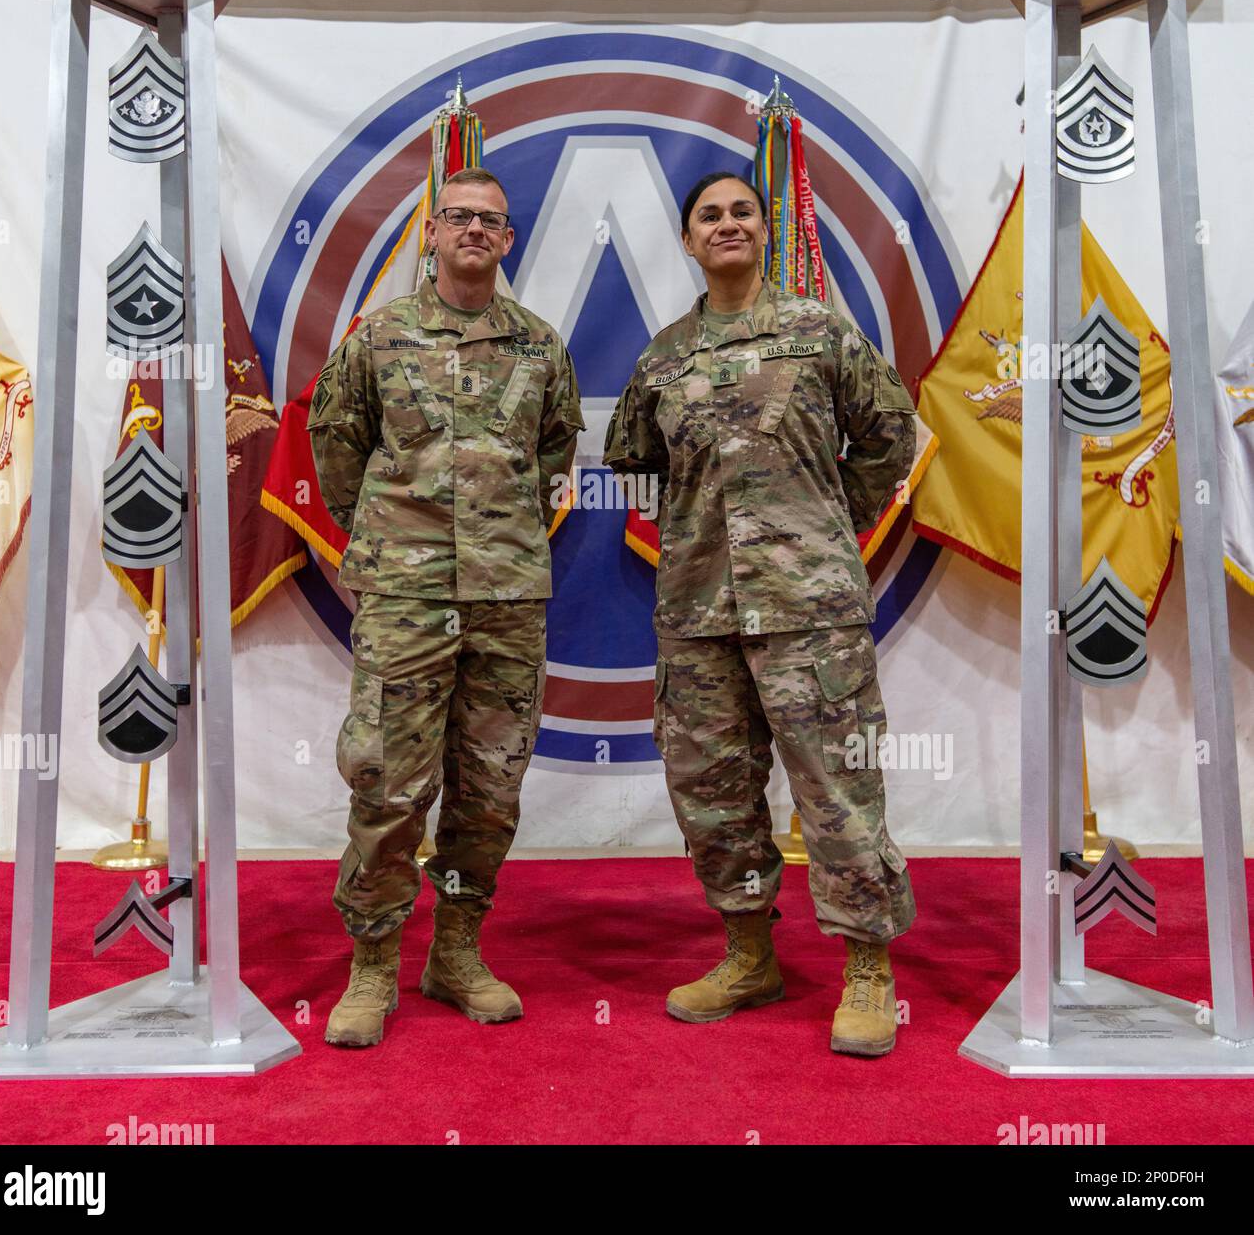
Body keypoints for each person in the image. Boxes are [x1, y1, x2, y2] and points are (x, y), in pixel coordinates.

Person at [603, 171, 917, 1056]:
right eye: (711, 216)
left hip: (810, 611)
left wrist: (820, 523)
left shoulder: (818, 331)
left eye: (743, 211)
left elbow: (891, 432)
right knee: (714, 797)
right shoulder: (664, 355)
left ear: (765, 229)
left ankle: (866, 966)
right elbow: (632, 455)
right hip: (698, 612)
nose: (729, 223)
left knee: (836, 791)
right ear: (689, 241)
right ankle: (748, 955)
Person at [308, 167, 583, 1047]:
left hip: (507, 599)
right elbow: (338, 445)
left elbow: (554, 452)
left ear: (508, 241)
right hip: (406, 596)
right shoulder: (377, 338)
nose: (473, 230)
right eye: (457, 217)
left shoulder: (540, 346)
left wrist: (500, 538)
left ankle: (457, 951)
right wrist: (395, 540)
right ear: (431, 232)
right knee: (387, 779)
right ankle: (374, 962)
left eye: (490, 221)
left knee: (489, 789)